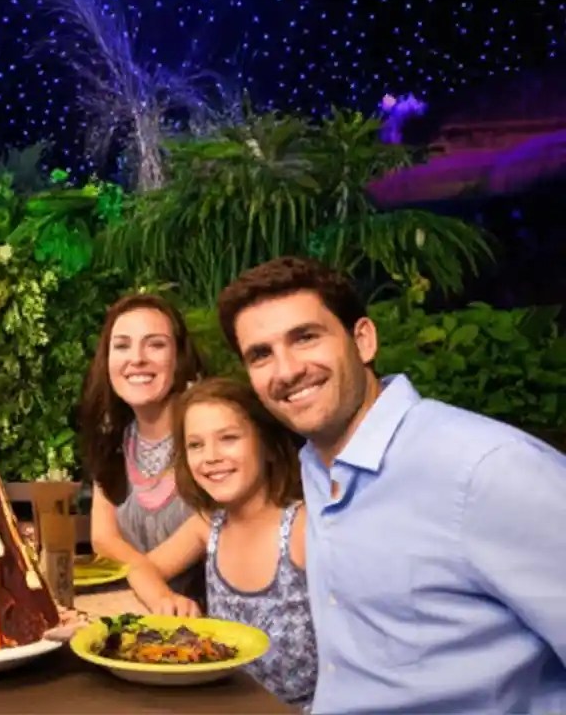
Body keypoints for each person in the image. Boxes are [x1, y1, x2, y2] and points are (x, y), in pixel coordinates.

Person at [218, 255, 566, 714]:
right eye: (261, 354)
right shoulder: (319, 469)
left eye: (305, 337)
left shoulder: (488, 469)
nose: (285, 371)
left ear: (362, 340)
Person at [116, 378, 317, 708]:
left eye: (228, 438)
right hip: (223, 704)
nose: (210, 457)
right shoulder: (209, 525)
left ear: (266, 445)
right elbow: (140, 567)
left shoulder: (302, 528)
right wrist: (164, 597)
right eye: (196, 445)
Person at [78, 293, 208, 606]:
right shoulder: (111, 439)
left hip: (204, 621)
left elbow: (208, 523)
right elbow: (103, 537)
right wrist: (146, 587)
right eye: (122, 345)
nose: (137, 358)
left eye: (155, 344)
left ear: (179, 357)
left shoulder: (209, 432)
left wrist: (142, 584)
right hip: (138, 614)